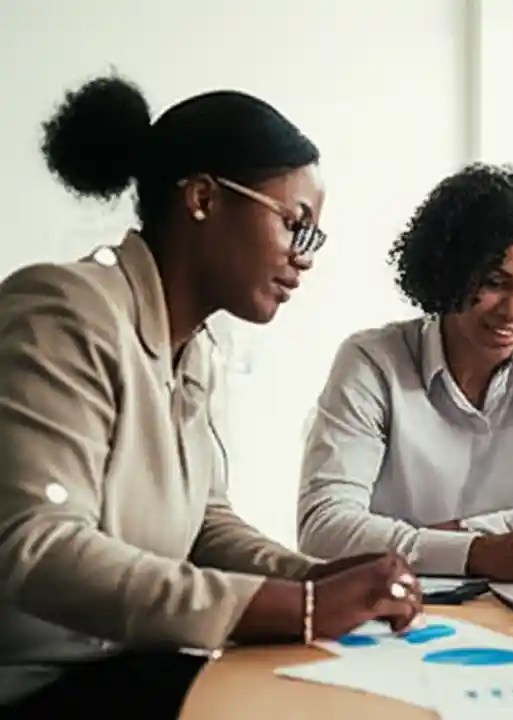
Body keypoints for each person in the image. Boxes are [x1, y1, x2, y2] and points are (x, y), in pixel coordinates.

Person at [0, 76, 422, 716]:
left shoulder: (193, 347)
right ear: (202, 198)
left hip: (132, 662)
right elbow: (40, 546)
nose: (304, 257)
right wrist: (296, 608)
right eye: (294, 224)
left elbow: (204, 523)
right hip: (42, 682)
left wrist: (309, 576)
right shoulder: (64, 310)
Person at [297, 162, 513, 581]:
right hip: (391, 603)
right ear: (452, 272)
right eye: (495, 283)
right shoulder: (372, 362)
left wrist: (461, 535)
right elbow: (324, 528)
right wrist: (474, 553)